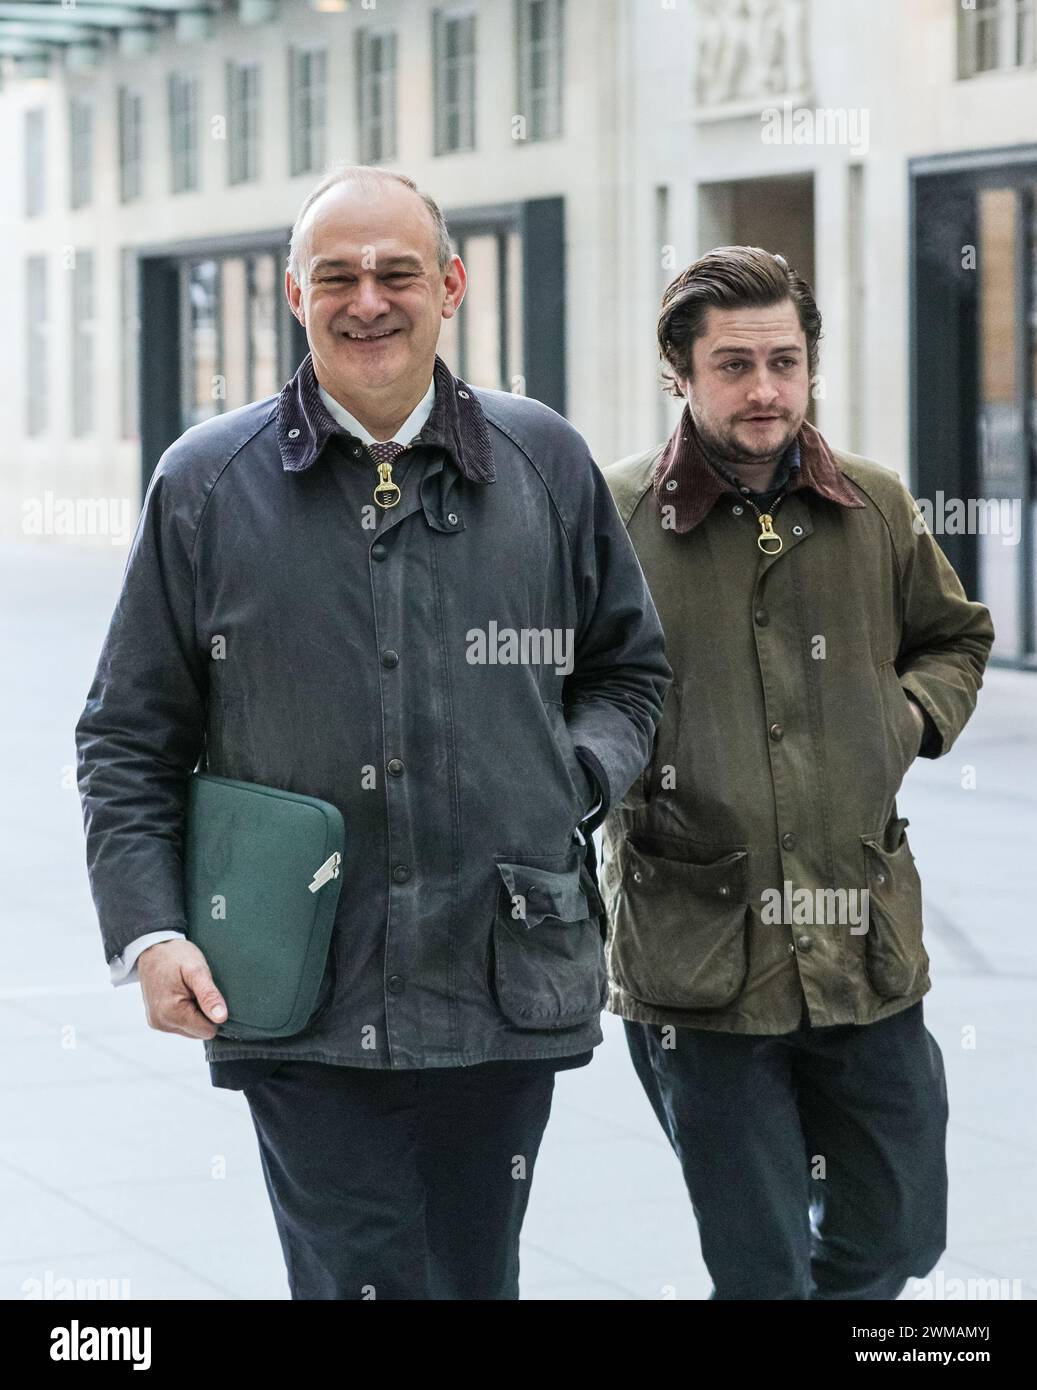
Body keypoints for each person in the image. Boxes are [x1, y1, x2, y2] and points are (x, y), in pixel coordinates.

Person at [75, 164, 670, 1301]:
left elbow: (627, 671)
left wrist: (570, 780)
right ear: (295, 296)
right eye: (336, 276)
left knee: (470, 1277)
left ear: (449, 285)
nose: (367, 300)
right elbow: (125, 735)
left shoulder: (543, 462)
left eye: (397, 272)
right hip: (296, 986)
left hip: (499, 980)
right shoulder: (205, 484)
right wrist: (149, 931)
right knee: (356, 1281)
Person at [601, 245, 994, 1300]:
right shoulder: (613, 518)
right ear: (677, 371)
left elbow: (954, 635)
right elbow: (558, 689)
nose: (764, 387)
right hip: (697, 966)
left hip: (861, 944)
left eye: (783, 359)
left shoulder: (870, 504)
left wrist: (906, 718)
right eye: (732, 364)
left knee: (899, 1231)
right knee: (760, 1265)